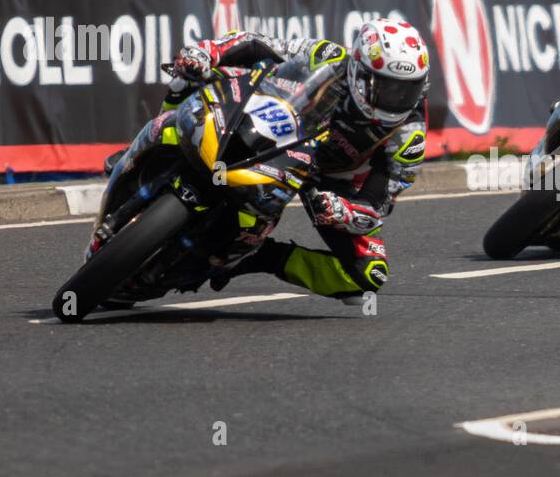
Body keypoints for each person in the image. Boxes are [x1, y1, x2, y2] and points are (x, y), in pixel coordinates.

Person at [117, 20, 429, 303]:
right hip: (284, 131)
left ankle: (258, 258)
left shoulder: (409, 134)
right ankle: (146, 146)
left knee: (369, 274)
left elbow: (377, 204)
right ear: (358, 70)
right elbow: (257, 43)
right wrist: (209, 53)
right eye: (385, 86)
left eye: (405, 90)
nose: (394, 98)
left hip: (332, 184)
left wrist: (344, 212)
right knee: (187, 77)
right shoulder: (327, 55)